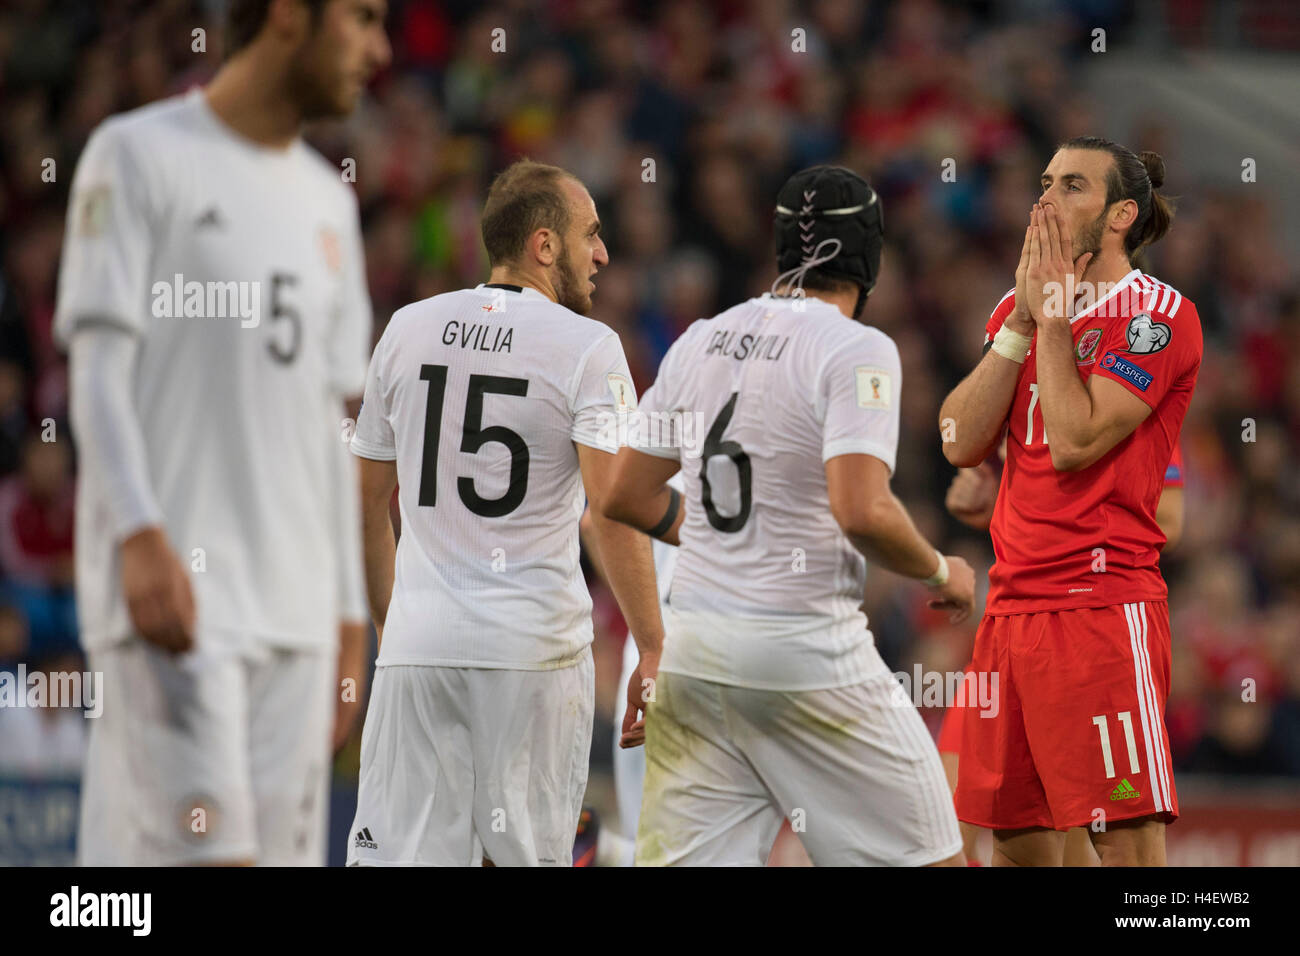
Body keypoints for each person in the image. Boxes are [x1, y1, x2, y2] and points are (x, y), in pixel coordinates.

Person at [56, 0, 390, 865]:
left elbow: (328, 422)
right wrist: (137, 529)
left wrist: (349, 613)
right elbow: (95, 367)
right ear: (288, 14)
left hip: (299, 613)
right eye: (362, 18)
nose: (379, 48)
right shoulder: (136, 154)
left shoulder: (328, 202)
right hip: (179, 596)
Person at [600, 165, 974, 866]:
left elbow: (622, 495)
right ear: (870, 260)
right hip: (806, 652)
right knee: (935, 859)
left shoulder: (699, 338)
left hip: (697, 652)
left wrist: (717, 543)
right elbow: (862, 509)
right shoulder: (858, 348)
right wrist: (938, 568)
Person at [345, 160, 665, 867]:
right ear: (544, 246)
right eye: (591, 236)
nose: (603, 255)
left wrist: (395, 631)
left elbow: (365, 502)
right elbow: (611, 507)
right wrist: (654, 645)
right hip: (531, 652)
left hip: (418, 650)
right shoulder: (589, 348)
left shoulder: (406, 328)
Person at [939, 137, 1202, 866]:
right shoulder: (1014, 309)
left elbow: (1076, 441)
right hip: (1010, 609)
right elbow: (958, 439)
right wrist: (1021, 324)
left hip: (1099, 610)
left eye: (1071, 186)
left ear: (1121, 214)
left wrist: (1052, 318)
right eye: (1045, 181)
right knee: (1018, 840)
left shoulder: (1157, 317)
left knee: (1125, 841)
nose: (1044, 200)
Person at [939, 444, 1187, 865]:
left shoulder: (1119, 393)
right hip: (1007, 637)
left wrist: (1041, 517)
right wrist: (993, 501)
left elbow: (1168, 519)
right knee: (948, 838)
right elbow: (960, 438)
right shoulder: (1015, 393)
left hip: (1085, 630)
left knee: (1098, 841)